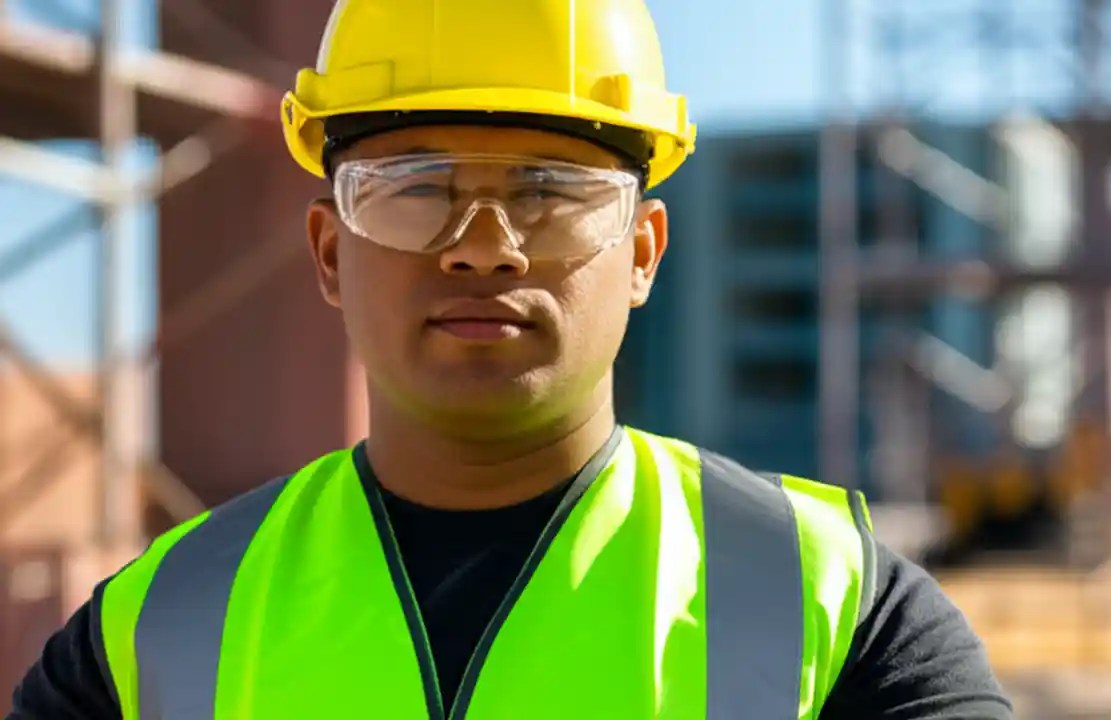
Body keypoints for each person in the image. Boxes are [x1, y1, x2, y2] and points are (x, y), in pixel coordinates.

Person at [10, 1, 1013, 718]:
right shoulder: (150, 638)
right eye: (415, 186)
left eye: (549, 190)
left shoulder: (836, 618)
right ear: (329, 253)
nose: (483, 247)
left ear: (642, 253)